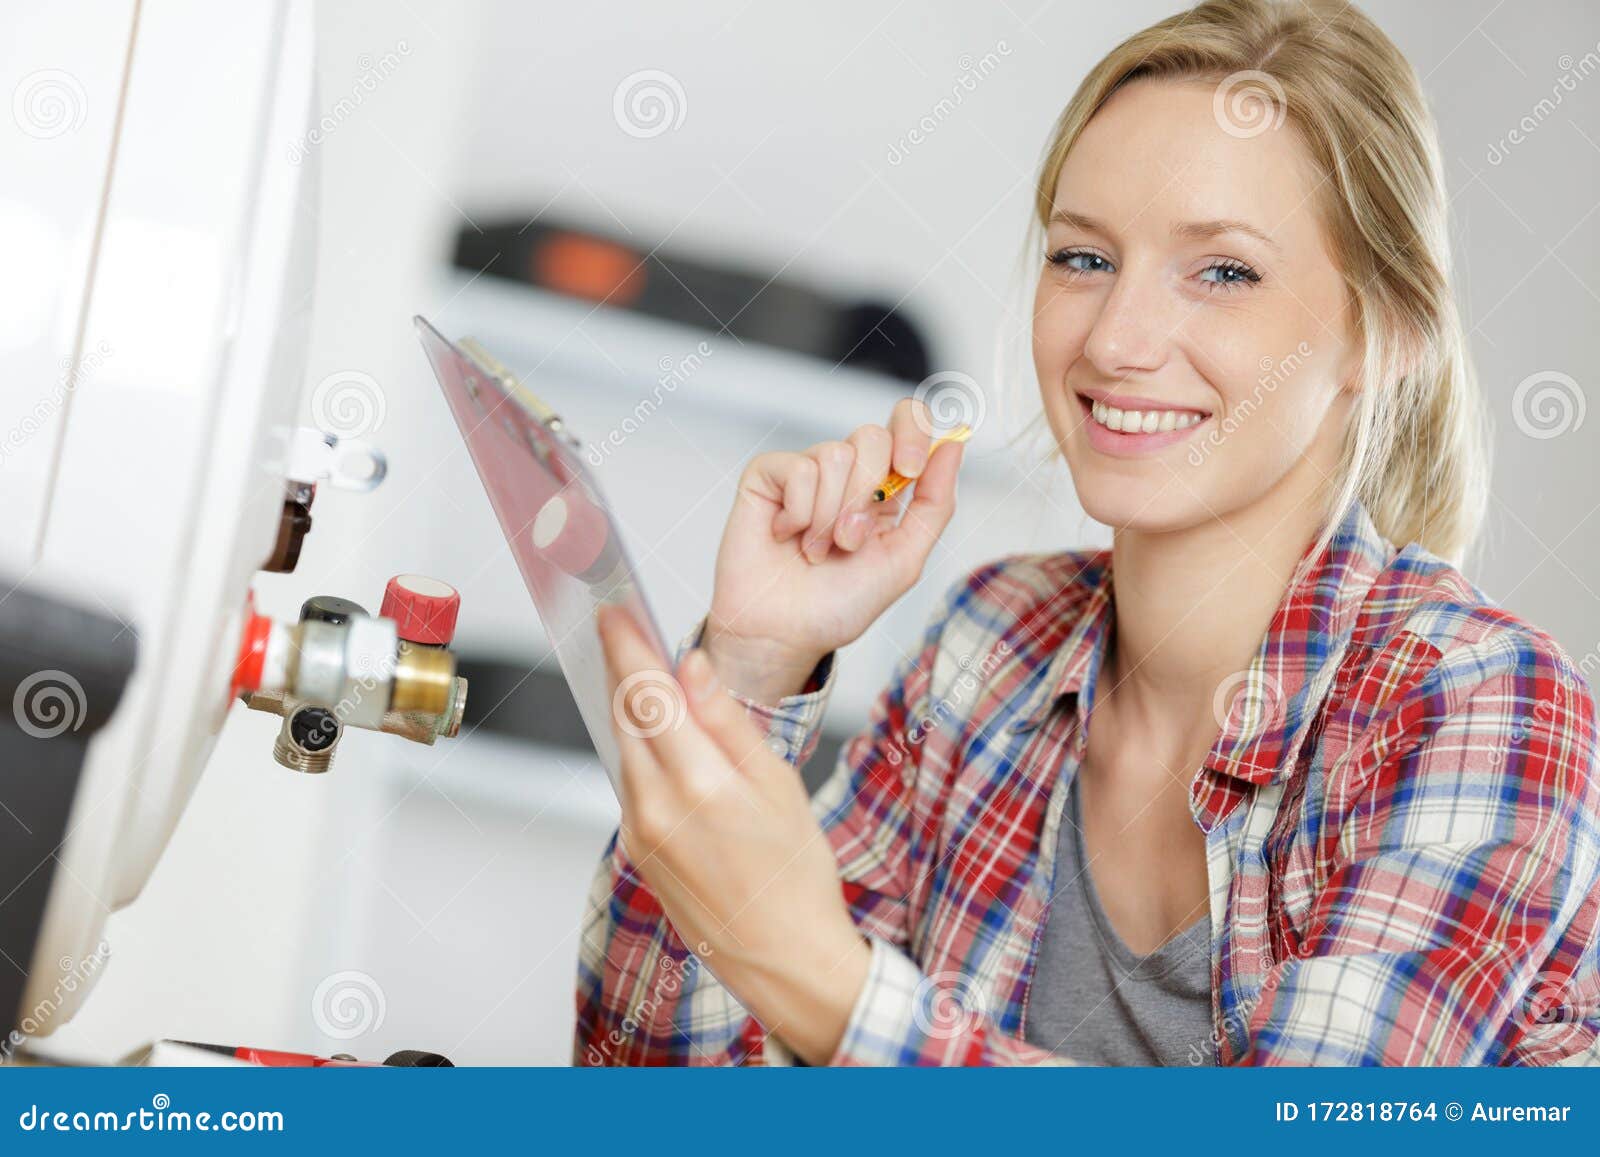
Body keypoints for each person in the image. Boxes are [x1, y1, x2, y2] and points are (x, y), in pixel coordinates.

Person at [574, 0, 1600, 1066]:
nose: (1115, 340)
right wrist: (751, 665)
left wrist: (831, 988)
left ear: (1387, 333)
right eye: (1083, 257)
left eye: (1223, 271)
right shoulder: (990, 643)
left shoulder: (1478, 702)